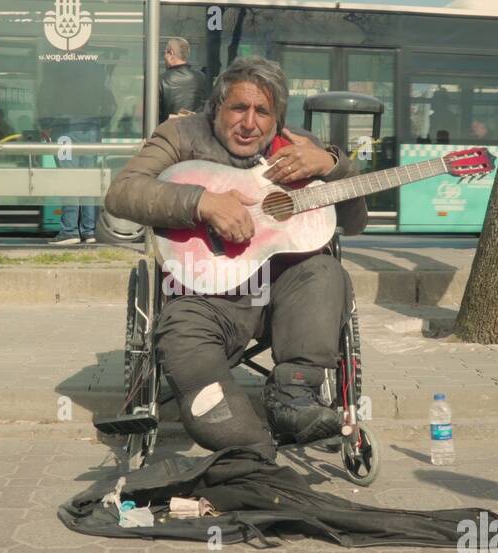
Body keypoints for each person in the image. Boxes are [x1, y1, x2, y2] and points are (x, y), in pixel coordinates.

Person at [105, 56, 368, 456]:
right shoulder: (179, 135)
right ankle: (249, 449)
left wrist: (334, 164)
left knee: (325, 270)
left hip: (284, 299)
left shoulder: (299, 146)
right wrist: (202, 202)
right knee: (183, 338)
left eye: (262, 111)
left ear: (277, 118)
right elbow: (122, 192)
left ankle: (293, 399)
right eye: (239, 108)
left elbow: (355, 221)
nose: (249, 123)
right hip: (200, 295)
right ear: (217, 107)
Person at [38, 60, 116, 245]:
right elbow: (110, 104)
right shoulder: (98, 67)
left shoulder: (55, 66)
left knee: (69, 179)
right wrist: (98, 123)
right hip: (91, 130)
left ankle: (69, 231)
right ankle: (88, 232)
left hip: (65, 129)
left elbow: (44, 97)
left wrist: (46, 125)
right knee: (88, 180)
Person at [159, 37, 208, 120]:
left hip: (168, 131)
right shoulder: (201, 78)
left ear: (171, 53)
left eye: (165, 53)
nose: (164, 57)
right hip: (195, 130)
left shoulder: (161, 80)